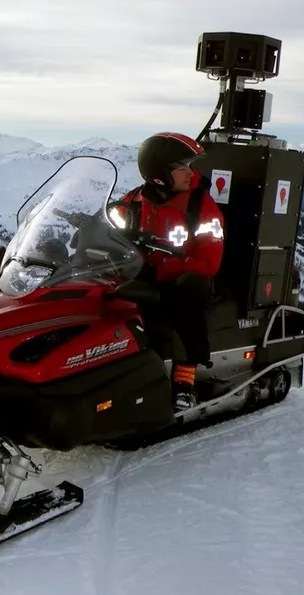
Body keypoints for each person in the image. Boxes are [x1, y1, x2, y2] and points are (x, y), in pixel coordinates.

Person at [110, 132, 225, 412]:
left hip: (182, 280)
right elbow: (113, 236)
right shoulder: (133, 200)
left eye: (190, 165)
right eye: (182, 167)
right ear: (160, 174)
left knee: (189, 289)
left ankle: (185, 379)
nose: (190, 172)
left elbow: (209, 257)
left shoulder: (199, 205)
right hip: (143, 274)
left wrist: (162, 270)